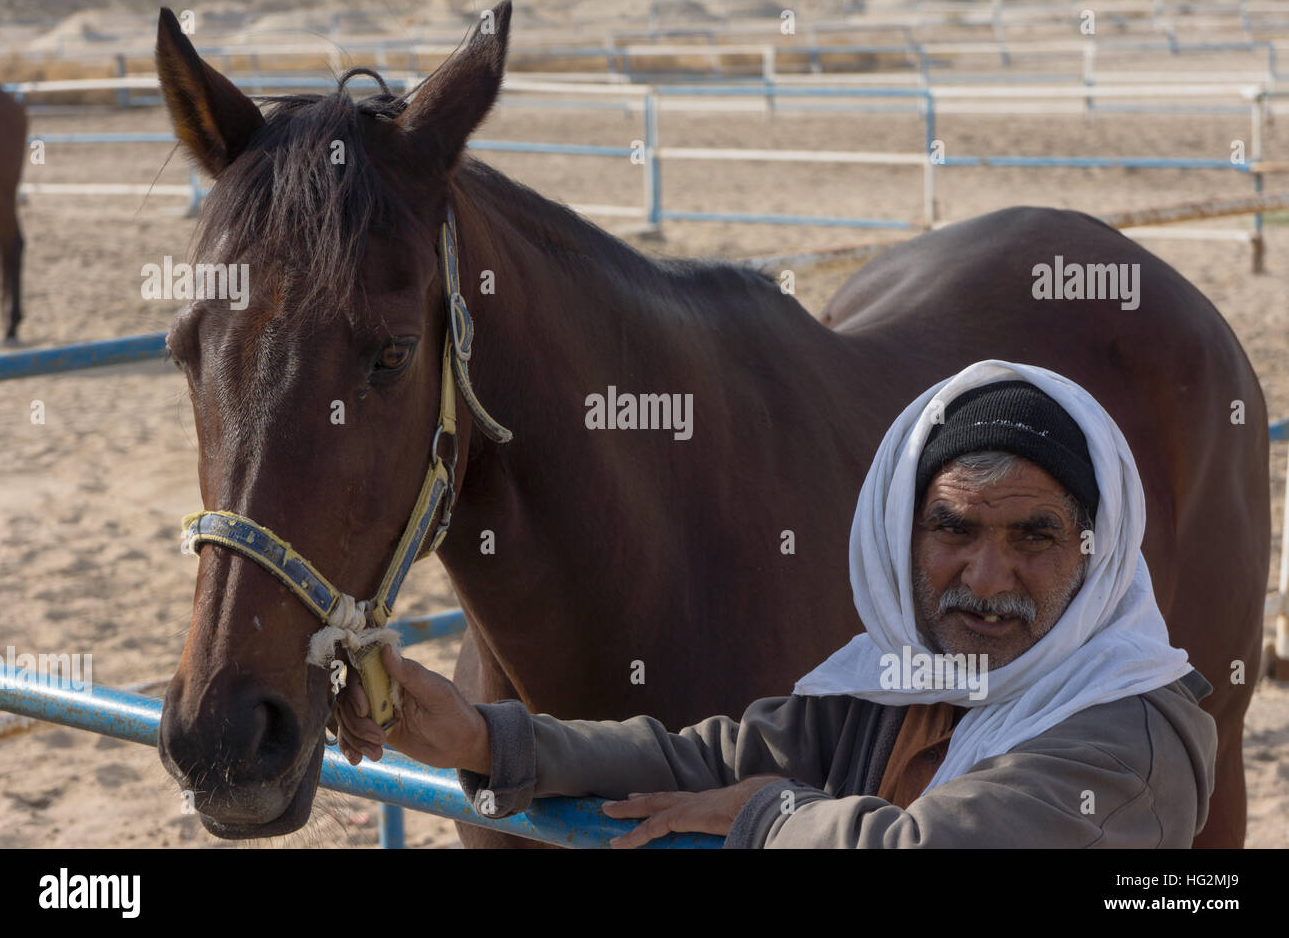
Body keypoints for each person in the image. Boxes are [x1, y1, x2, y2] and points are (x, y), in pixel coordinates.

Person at [333, 360, 1217, 848]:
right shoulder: (910, 681)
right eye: (952, 530)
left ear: (1097, 555)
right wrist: (482, 738)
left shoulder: (1127, 736)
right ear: (899, 535)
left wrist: (767, 813)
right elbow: (706, 761)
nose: (986, 580)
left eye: (1034, 538)